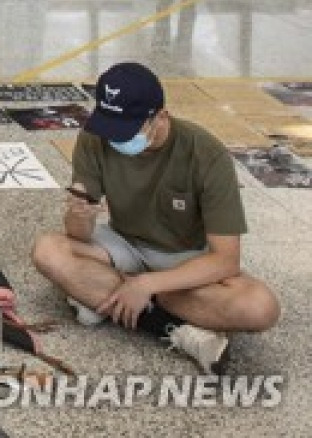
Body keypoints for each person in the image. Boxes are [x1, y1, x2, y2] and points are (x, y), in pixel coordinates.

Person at [32, 62, 280, 376]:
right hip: (124, 243)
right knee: (47, 250)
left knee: (260, 307)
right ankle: (181, 331)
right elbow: (78, 235)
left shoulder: (205, 154)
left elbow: (225, 261)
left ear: (160, 117)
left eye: (126, 130)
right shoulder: (96, 138)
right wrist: (78, 214)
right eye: (110, 128)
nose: (115, 140)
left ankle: (104, 297)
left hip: (185, 258)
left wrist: (148, 284)